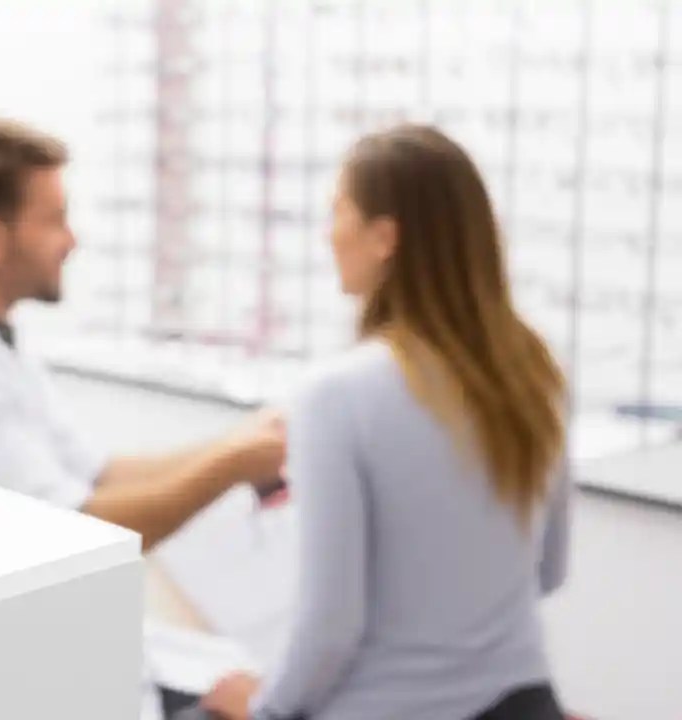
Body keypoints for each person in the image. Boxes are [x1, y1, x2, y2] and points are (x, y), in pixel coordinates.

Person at [200, 124, 572, 720]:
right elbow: (548, 573)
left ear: (383, 237)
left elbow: (331, 627)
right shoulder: (534, 374)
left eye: (337, 213)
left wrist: (262, 708)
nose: (328, 235)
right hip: (522, 704)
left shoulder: (337, 395)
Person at [0, 117, 287, 555]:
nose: (71, 241)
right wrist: (231, 466)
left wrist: (235, 444)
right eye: (54, 220)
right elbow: (75, 529)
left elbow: (100, 475)